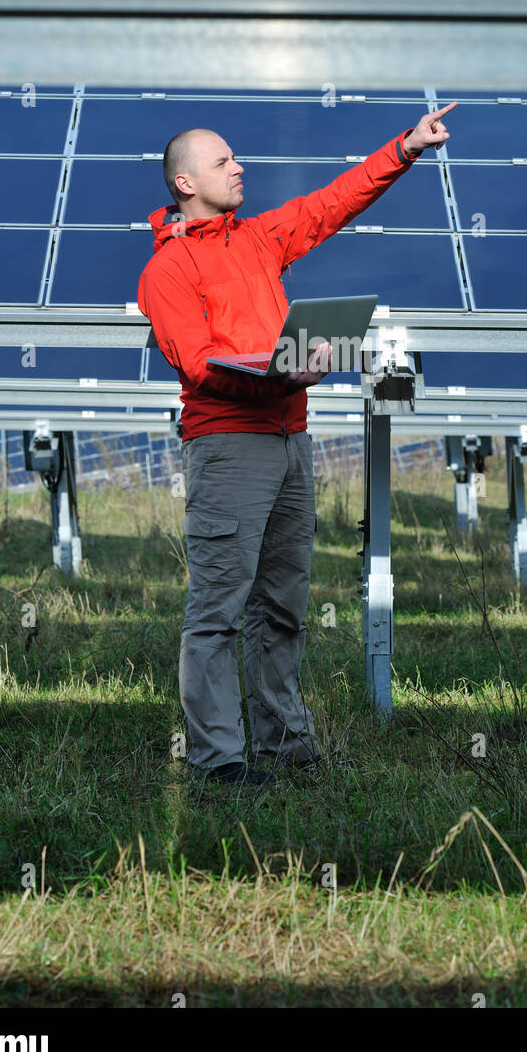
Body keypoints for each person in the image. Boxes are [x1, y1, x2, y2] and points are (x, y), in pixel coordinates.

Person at [137, 102, 457, 784]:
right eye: (222, 162)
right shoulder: (166, 272)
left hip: (289, 441)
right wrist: (283, 371)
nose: (238, 167)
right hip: (228, 447)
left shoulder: (257, 238)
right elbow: (197, 364)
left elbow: (331, 204)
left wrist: (404, 149)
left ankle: (285, 743)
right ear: (186, 183)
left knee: (283, 603)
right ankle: (218, 760)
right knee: (219, 609)